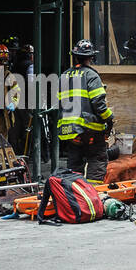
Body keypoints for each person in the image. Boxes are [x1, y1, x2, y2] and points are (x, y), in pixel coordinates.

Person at [57, 39, 113, 181]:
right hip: (89, 130)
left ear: (75, 56)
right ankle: (94, 196)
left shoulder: (63, 76)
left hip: (70, 131)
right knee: (97, 160)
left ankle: (75, 196)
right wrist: (109, 118)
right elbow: (98, 104)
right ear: (91, 57)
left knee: (74, 167)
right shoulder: (91, 75)